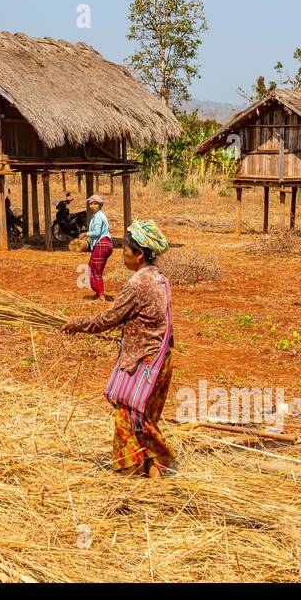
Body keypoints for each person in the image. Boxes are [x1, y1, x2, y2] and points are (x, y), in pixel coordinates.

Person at [62, 219, 176, 477]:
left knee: (130, 419)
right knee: (144, 420)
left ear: (138, 254)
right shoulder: (160, 279)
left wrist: (77, 323)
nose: (121, 253)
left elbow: (108, 319)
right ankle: (155, 479)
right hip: (161, 361)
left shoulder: (137, 284)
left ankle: (134, 474)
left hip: (143, 363)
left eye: (125, 249)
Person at [84, 195, 113, 300]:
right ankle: (98, 293)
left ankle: (101, 295)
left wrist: (85, 234)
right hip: (105, 244)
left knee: (95, 270)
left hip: (101, 244)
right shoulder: (99, 215)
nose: (92, 206)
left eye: (95, 203)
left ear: (100, 205)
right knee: (93, 268)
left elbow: (96, 233)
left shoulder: (98, 216)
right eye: (91, 204)